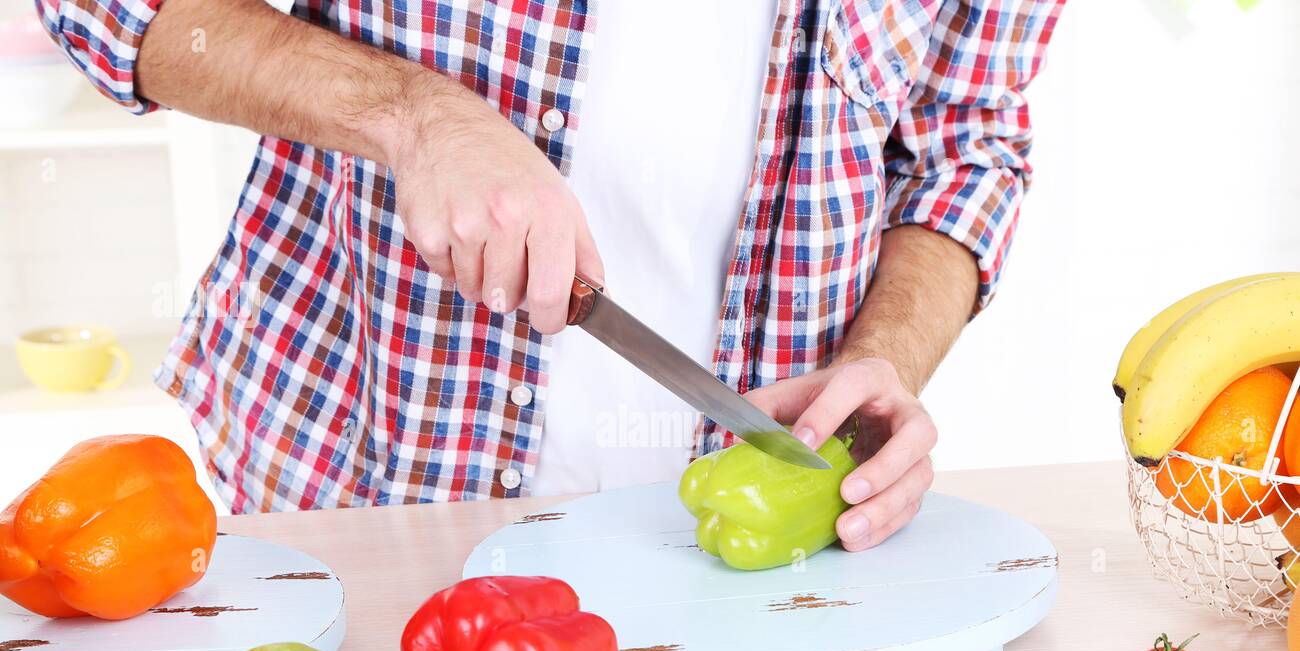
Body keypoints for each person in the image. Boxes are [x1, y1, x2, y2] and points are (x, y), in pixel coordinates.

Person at [38, 0, 1062, 549]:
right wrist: (410, 114)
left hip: (755, 538)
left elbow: (965, 149)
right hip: (364, 495)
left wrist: (884, 360)